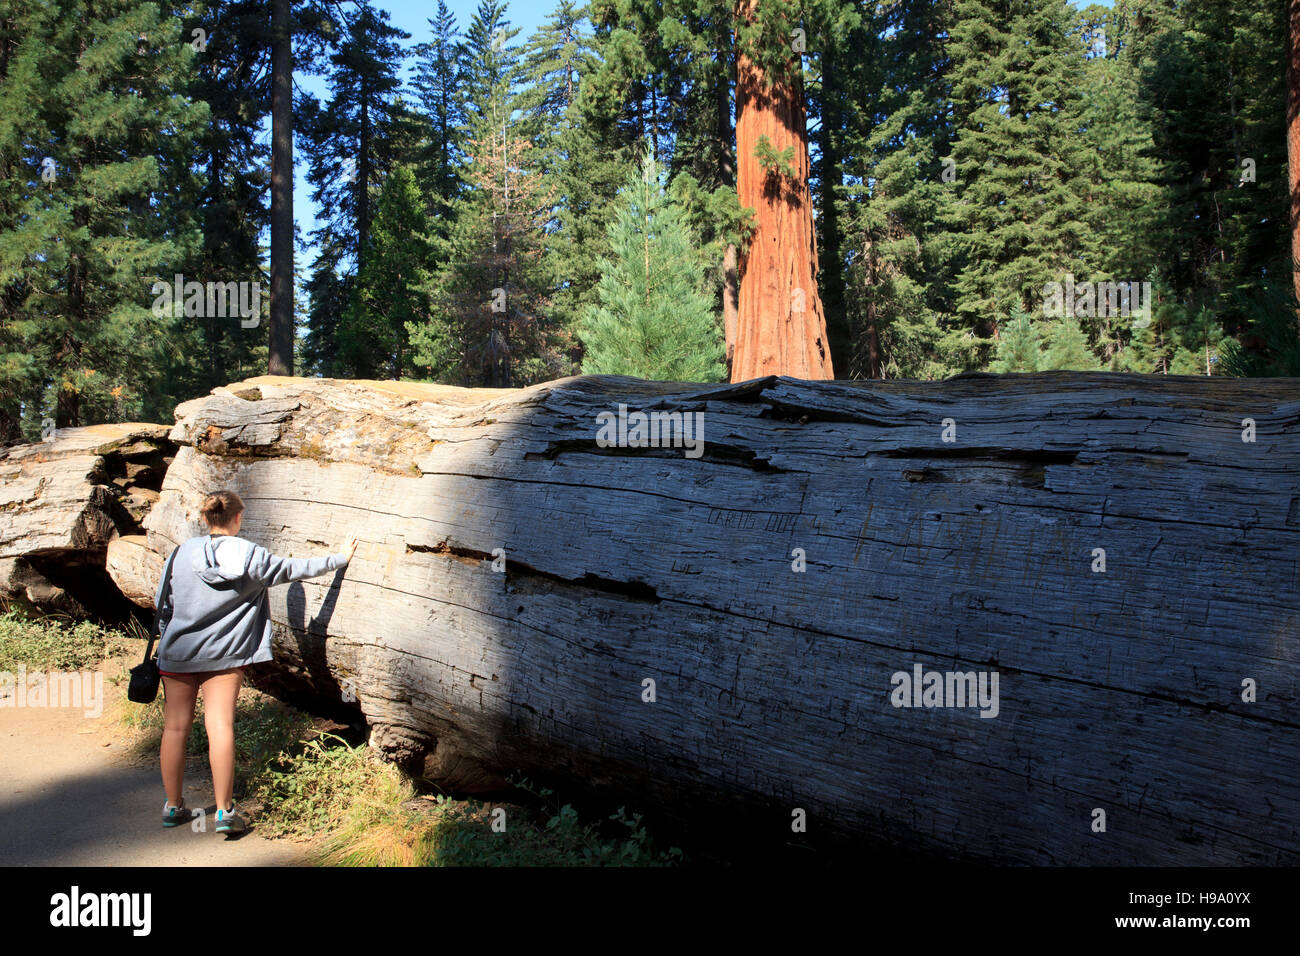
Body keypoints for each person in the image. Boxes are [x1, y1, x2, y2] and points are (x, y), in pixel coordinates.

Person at [154, 490, 357, 834]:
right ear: (237, 518)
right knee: (220, 727)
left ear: (206, 520)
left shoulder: (179, 554)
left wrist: (166, 637)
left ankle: (173, 807)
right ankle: (224, 813)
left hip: (178, 653)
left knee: (175, 728)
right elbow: (292, 569)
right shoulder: (249, 554)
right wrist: (337, 559)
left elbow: (163, 605)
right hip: (223, 654)